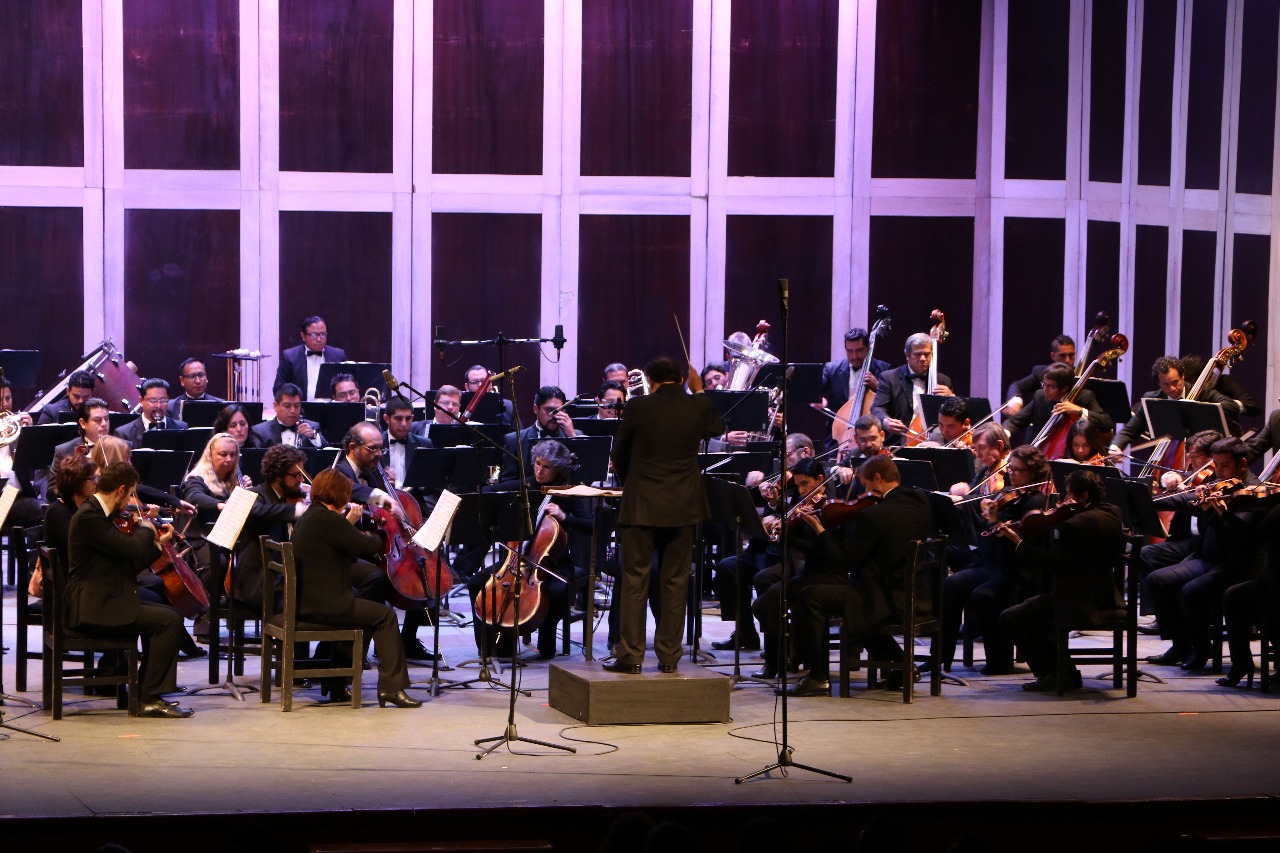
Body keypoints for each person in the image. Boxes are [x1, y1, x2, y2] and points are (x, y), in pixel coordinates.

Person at [605, 357, 725, 674]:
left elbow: (620, 454)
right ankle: (670, 657)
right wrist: (699, 393)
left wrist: (634, 482)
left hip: (641, 504)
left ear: (652, 380)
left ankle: (630, 657)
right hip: (684, 506)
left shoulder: (638, 406)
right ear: (680, 378)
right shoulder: (696, 405)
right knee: (675, 582)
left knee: (634, 581)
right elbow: (717, 426)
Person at [787, 455, 935, 697]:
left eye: (865, 485)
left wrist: (820, 530)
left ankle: (818, 677)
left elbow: (846, 561)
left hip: (882, 597)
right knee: (844, 595)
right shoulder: (919, 501)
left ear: (878, 479)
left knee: (811, 596)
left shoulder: (873, 516)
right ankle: (900, 663)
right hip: (913, 592)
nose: (864, 492)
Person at [66, 461, 194, 717]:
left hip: (110, 596)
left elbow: (130, 561)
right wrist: (147, 528)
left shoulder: (100, 514)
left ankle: (145, 692)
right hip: (95, 606)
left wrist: (157, 544)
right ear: (121, 490)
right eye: (131, 495)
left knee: (167, 614)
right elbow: (131, 548)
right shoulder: (90, 516)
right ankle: (148, 697)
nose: (131, 503)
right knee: (168, 621)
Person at [290, 469, 420, 708]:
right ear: (339, 494)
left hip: (310, 600)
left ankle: (337, 683)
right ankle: (391, 689)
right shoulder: (327, 520)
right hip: (324, 604)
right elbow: (368, 545)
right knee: (385, 616)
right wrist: (382, 530)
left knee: (363, 605)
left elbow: (341, 547)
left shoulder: (313, 515)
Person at [997, 469, 1125, 692]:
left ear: (1083, 496)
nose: (1064, 501)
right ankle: (1065, 672)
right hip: (1107, 595)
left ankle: (1054, 673)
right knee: (1035, 609)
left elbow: (1052, 563)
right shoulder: (1113, 512)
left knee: (1012, 616)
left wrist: (1017, 541)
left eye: (1068, 495)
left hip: (1080, 602)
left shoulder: (1075, 525)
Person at [1143, 437, 1263, 670]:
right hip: (1207, 558)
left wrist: (1213, 513)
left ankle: (1201, 648)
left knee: (1190, 591)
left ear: (1243, 464)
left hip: (1234, 564)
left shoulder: (1251, 491)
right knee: (1157, 580)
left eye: (1224, 465)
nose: (1218, 471)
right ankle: (1181, 645)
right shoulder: (1218, 483)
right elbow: (1186, 500)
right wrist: (1153, 501)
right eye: (1216, 464)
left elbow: (1238, 535)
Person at [469, 440, 593, 660]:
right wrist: (482, 494)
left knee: (555, 591)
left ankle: (547, 645)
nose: (539, 470)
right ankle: (491, 648)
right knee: (477, 583)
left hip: (554, 563)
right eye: (537, 463)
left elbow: (590, 524)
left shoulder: (570, 492)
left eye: (546, 467)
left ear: (558, 470)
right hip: (518, 559)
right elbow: (490, 492)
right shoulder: (526, 486)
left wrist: (565, 517)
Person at [941, 445, 1051, 674]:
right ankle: (942, 656)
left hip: (1012, 569)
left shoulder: (1035, 502)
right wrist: (988, 516)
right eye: (1011, 468)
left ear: (1033, 473)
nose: (1012, 473)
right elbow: (989, 532)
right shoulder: (1010, 494)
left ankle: (999, 661)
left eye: (1018, 470)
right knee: (952, 583)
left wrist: (995, 521)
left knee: (983, 595)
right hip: (990, 563)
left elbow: (1016, 541)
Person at [750, 458, 851, 680]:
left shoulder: (832, 509)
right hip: (810, 572)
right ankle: (780, 659)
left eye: (805, 484)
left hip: (827, 575)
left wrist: (810, 529)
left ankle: (783, 660)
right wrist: (780, 528)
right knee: (763, 604)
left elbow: (829, 554)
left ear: (820, 480)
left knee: (767, 602)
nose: (802, 490)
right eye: (798, 485)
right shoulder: (802, 500)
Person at [1110, 356, 1241, 459]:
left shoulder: (1204, 391)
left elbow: (1232, 406)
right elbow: (1130, 430)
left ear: (1183, 377)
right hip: (1165, 462)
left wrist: (1198, 407)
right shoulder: (1152, 400)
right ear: (1159, 383)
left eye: (1175, 382)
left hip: (1199, 460)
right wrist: (1116, 446)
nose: (1172, 388)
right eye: (1166, 384)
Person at [871, 332, 954, 444]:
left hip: (936, 442)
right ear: (907, 355)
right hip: (898, 443)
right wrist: (886, 421)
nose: (923, 358)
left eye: (927, 354)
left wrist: (952, 398)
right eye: (918, 354)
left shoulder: (943, 381)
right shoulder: (889, 378)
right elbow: (877, 408)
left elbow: (955, 415)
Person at [818, 327, 892, 449]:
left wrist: (877, 385)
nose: (854, 356)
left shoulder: (883, 369)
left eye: (859, 350)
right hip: (840, 437)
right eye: (849, 351)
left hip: (872, 437)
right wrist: (817, 397)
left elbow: (893, 400)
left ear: (868, 348)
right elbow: (815, 389)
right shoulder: (832, 369)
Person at [1002, 363, 1104, 450]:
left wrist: (1080, 411)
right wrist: (1004, 433)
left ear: (1064, 388)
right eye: (1044, 384)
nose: (1045, 390)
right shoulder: (1040, 396)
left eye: (1051, 386)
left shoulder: (1084, 397)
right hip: (1041, 456)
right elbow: (1015, 421)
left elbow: (1106, 422)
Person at [494, 386, 576, 491]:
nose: (555, 416)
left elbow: (583, 477)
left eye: (559, 410)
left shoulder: (574, 436)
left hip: (565, 503)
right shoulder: (514, 440)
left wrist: (573, 437)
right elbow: (508, 484)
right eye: (550, 410)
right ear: (536, 409)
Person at [274, 315, 347, 401]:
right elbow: (278, 389)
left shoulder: (338, 355)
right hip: (301, 410)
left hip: (333, 409)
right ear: (303, 336)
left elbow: (347, 385)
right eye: (313, 335)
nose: (319, 339)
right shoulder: (289, 357)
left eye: (322, 334)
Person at [1004, 334, 1076, 417]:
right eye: (1062, 355)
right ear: (1053, 356)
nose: (1068, 360)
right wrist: (1016, 401)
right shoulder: (1041, 373)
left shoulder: (1082, 375)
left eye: (1071, 355)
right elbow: (1017, 386)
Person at [115, 378, 188, 446]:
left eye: (163, 400)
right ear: (141, 401)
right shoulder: (124, 434)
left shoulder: (182, 428)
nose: (158, 406)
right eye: (152, 401)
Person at [250, 383, 325, 448]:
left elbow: (326, 451)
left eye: (296, 406)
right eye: (287, 406)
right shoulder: (260, 432)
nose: (293, 411)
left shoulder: (312, 427)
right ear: (275, 406)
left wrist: (313, 436)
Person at [381, 395, 431, 488]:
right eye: (398, 418)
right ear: (386, 419)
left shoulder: (424, 444)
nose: (404, 424)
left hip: (414, 499)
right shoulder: (376, 444)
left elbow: (428, 485)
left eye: (408, 419)